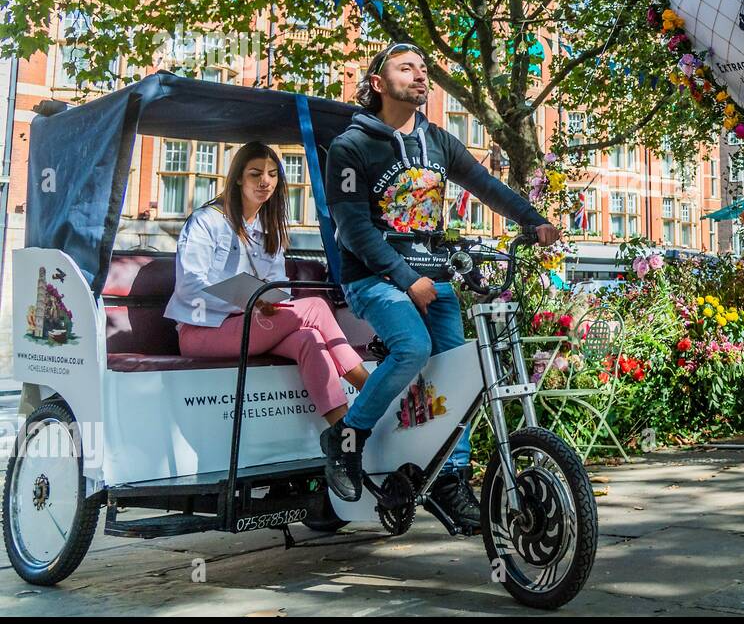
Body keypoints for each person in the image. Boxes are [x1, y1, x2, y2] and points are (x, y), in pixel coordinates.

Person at [322, 42, 561, 528]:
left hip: (431, 278)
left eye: (424, 69)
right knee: (411, 347)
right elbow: (353, 230)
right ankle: (347, 438)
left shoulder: (438, 141)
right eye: (406, 68)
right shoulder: (351, 147)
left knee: (459, 371)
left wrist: (533, 221)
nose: (420, 75)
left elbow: (487, 187)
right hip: (375, 279)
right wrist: (408, 281)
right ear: (377, 83)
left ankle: (449, 477)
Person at [165, 142, 369, 424]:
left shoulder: (267, 227)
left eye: (273, 174)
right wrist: (249, 300)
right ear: (238, 177)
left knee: (310, 339)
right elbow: (190, 286)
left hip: (253, 325)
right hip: (203, 330)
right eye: (255, 173)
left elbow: (278, 287)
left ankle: (346, 434)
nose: (266, 181)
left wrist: (268, 302)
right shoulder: (205, 221)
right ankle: (373, 393)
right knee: (316, 308)